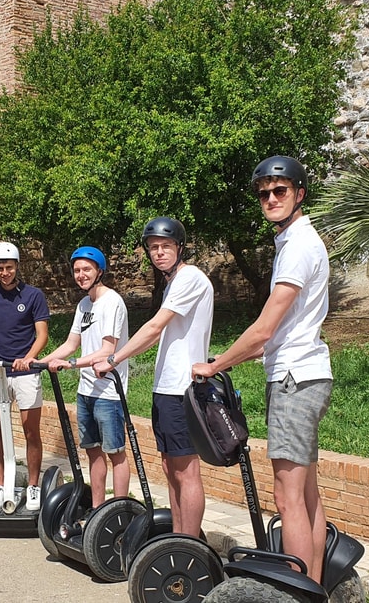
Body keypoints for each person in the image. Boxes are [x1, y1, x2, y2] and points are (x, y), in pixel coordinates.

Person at [191, 155, 332, 582]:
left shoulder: (299, 247)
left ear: (299, 194)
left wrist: (215, 365)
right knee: (307, 495)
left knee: (287, 498)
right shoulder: (295, 243)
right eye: (264, 193)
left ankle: (297, 590)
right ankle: (313, 587)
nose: (271, 198)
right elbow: (274, 336)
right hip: (304, 374)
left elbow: (264, 331)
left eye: (280, 190)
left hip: (295, 379)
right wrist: (236, 357)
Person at [93, 217, 213, 536]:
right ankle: (177, 537)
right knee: (169, 467)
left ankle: (189, 545)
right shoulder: (173, 282)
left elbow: (154, 327)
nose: (158, 253)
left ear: (180, 247)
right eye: (153, 248)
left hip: (183, 389)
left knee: (186, 471)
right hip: (166, 387)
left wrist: (114, 358)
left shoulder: (189, 278)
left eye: (165, 246)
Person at [38, 246, 131, 507]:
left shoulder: (112, 302)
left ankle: (118, 511)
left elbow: (107, 349)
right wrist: (38, 362)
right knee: (93, 453)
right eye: (77, 270)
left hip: (109, 392)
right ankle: (97, 510)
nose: (81, 275)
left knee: (116, 454)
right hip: (86, 391)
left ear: (99, 271)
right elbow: (70, 343)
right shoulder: (83, 304)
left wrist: (71, 364)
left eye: (86, 269)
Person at [0, 242, 50, 512]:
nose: (4, 272)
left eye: (9, 267)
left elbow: (42, 335)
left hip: (25, 372)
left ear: (17, 266)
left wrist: (29, 357)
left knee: (30, 431)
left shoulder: (33, 295)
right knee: (0, 432)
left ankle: (34, 486)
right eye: (0, 268)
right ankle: (1, 485)